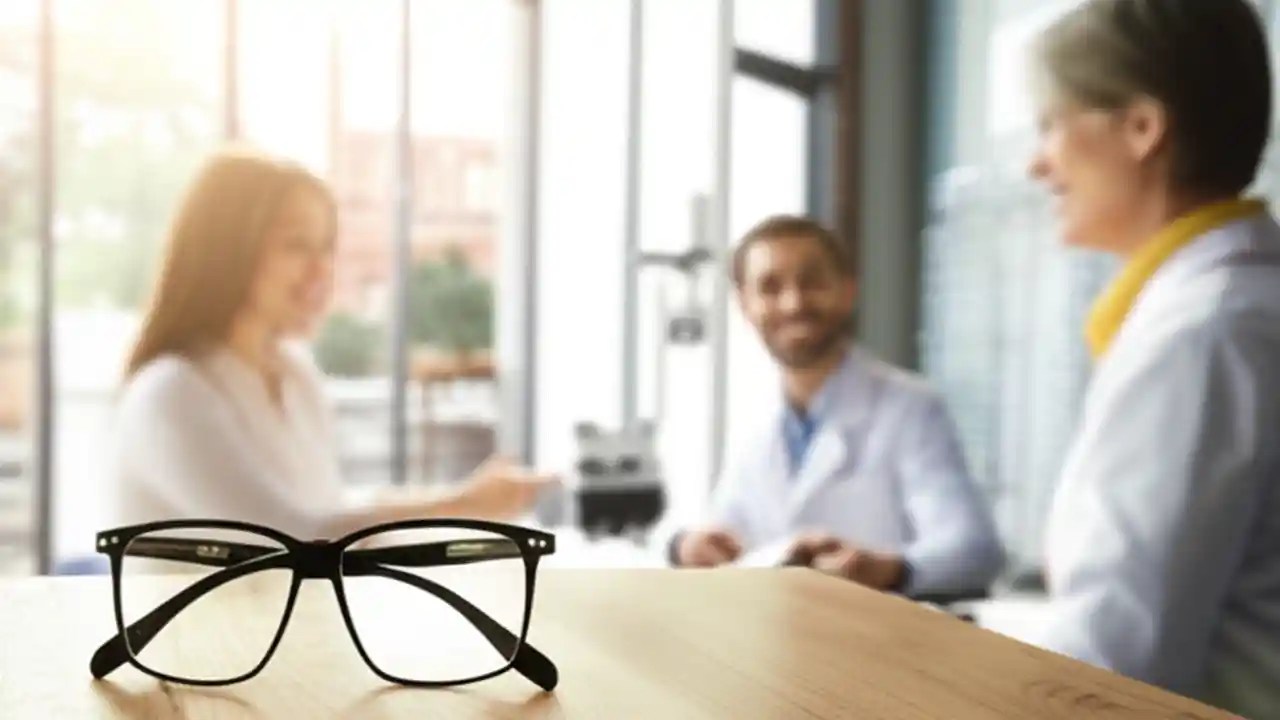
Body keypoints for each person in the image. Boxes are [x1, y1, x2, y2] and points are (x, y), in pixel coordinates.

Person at [1016, 1, 1280, 715]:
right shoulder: (1234, 308)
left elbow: (1115, 662)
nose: (1037, 163)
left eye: (1051, 124)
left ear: (1141, 127)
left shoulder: (1203, 334)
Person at [110, 148, 553, 540]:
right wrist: (462, 506)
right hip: (208, 636)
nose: (321, 270)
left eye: (328, 247)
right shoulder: (171, 392)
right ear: (228, 250)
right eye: (296, 246)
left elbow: (329, 510)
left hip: (294, 630)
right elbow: (295, 541)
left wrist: (465, 502)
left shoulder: (294, 373)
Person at [670, 215, 1003, 598]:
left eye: (812, 282)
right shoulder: (754, 419)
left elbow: (974, 549)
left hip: (880, 644)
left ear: (847, 292)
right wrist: (688, 546)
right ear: (745, 304)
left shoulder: (911, 408)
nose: (793, 303)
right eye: (770, 287)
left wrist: (887, 570)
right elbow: (723, 534)